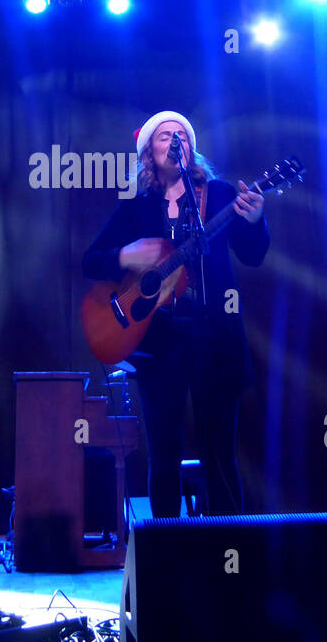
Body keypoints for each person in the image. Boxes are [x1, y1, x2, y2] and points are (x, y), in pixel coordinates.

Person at [83, 111, 269, 518]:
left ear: (191, 148)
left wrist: (255, 220)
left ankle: (226, 557)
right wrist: (125, 254)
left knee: (220, 456)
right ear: (149, 150)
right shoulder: (137, 207)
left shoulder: (219, 195)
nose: (174, 140)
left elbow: (253, 255)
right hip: (158, 343)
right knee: (163, 459)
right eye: (164, 135)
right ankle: (163, 560)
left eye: (181, 135)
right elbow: (90, 262)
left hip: (215, 339)